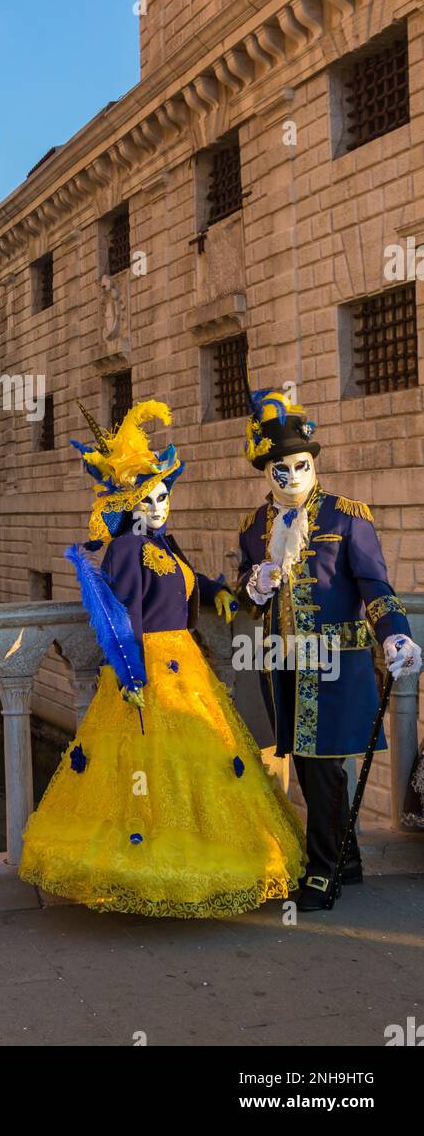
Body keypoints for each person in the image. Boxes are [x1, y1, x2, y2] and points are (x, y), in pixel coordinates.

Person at [18, 399, 306, 917]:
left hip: (184, 665)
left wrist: (216, 589)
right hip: (150, 667)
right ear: (130, 504)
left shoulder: (161, 541)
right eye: (148, 501)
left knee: (194, 771)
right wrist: (131, 671)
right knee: (152, 771)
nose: (158, 508)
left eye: (163, 498)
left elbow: (183, 580)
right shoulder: (129, 548)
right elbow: (122, 612)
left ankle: (194, 860)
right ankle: (149, 874)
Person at [235, 388, 422, 910]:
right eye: (279, 469)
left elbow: (375, 586)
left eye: (298, 465)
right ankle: (350, 859)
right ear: (265, 472)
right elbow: (245, 596)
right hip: (283, 667)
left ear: (312, 463)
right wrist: (256, 585)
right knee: (311, 766)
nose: (290, 476)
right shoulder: (255, 527)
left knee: (322, 768)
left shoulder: (347, 517)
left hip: (339, 667)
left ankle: (323, 871)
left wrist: (396, 635)